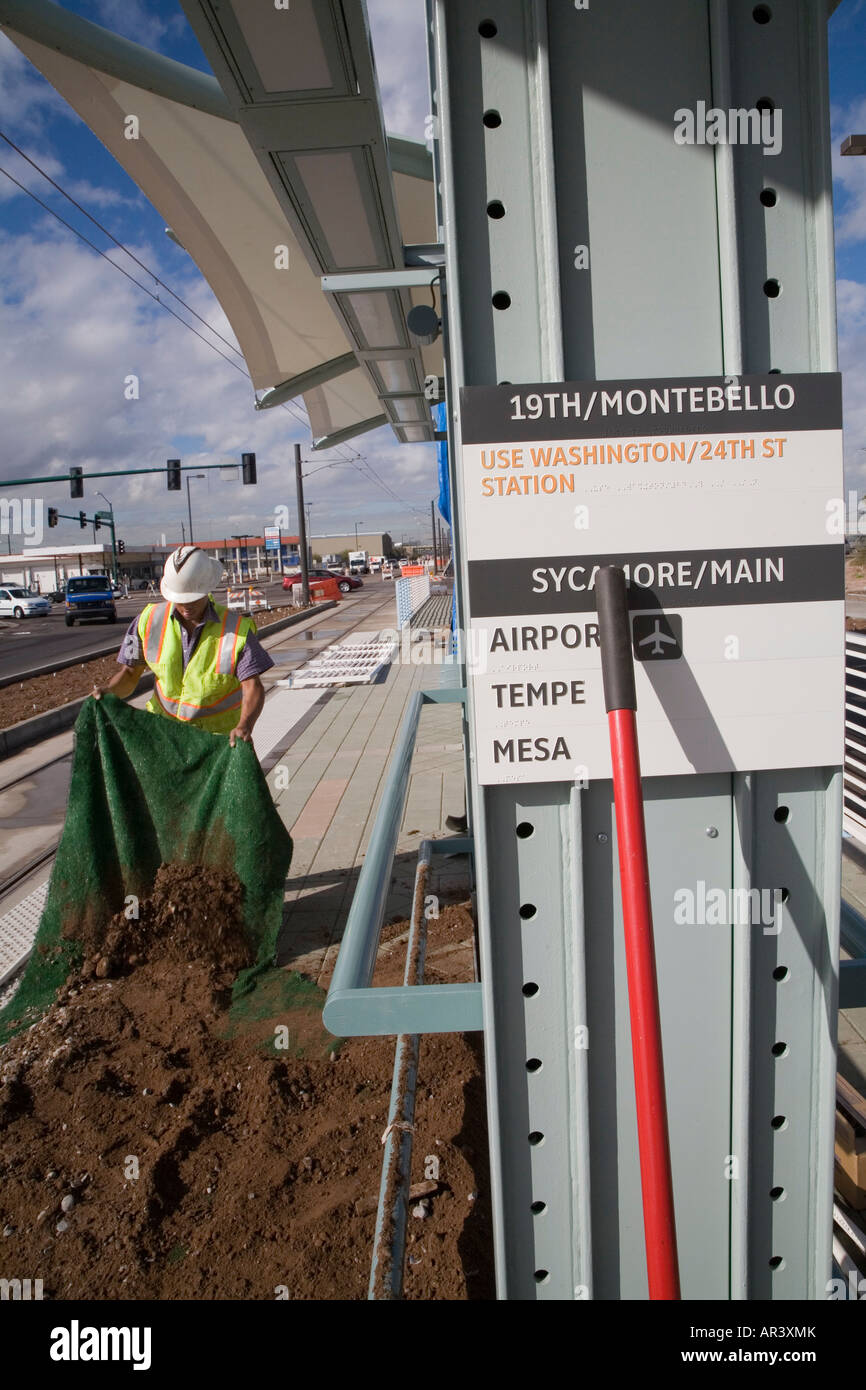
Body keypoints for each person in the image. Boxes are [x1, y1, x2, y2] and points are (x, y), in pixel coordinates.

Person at [91, 545, 273, 746]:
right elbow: (129, 673)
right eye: (179, 599)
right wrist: (109, 691)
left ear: (207, 589)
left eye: (193, 599)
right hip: (165, 737)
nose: (186, 606)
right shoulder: (148, 621)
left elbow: (252, 686)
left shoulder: (236, 630)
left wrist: (245, 724)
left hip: (216, 744)